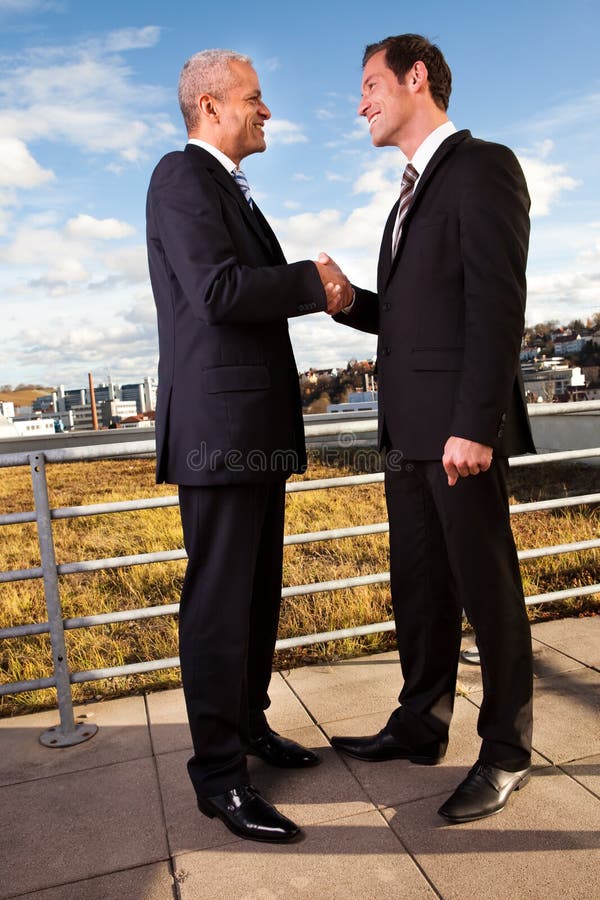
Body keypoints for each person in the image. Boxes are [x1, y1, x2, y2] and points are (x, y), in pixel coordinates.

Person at [324, 33, 535, 824]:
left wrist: (476, 425)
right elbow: (410, 319)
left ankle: (508, 752)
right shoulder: (405, 196)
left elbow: (495, 304)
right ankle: (421, 724)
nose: (361, 102)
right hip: (407, 437)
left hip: (457, 437)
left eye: (372, 83)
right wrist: (353, 303)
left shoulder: (484, 167)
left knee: (489, 590)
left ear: (418, 79)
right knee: (418, 591)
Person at [146, 48, 351, 844]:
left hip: (251, 434)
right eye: (255, 99)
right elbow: (218, 291)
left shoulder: (226, 189)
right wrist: (311, 279)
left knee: (258, 592)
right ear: (209, 106)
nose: (266, 112)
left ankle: (250, 726)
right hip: (218, 435)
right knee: (220, 603)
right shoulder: (180, 177)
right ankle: (219, 779)